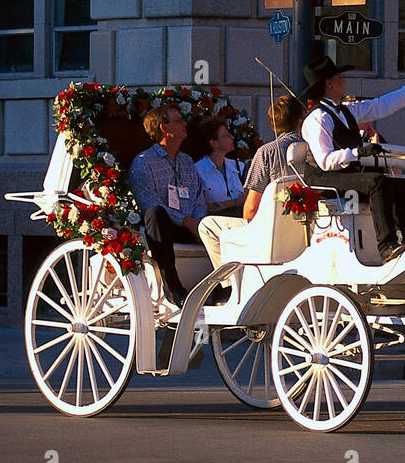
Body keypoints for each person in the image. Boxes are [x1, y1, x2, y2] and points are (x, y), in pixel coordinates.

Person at [299, 55, 405, 262]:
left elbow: (380, 106)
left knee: (402, 185)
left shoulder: (346, 111)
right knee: (376, 182)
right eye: (340, 78)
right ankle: (386, 246)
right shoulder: (317, 119)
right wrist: (357, 153)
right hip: (322, 178)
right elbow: (325, 161)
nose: (345, 81)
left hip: (344, 173)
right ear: (329, 84)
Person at [198, 93, 305, 267]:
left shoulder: (266, 153)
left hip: (271, 231)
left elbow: (251, 210)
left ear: (273, 124)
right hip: (304, 228)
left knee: (207, 225)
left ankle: (229, 283)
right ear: (301, 120)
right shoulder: (314, 150)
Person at [129, 105, 208, 307]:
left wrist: (199, 223)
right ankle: (173, 287)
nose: (184, 124)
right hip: (164, 229)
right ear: (164, 128)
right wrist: (186, 221)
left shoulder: (186, 161)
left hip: (190, 224)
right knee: (156, 214)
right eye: (179, 120)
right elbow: (149, 202)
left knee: (218, 222)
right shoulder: (143, 162)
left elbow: (198, 196)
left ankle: (219, 286)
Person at [192, 116, 245, 215]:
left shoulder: (239, 167)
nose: (232, 137)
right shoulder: (197, 171)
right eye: (226, 135)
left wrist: (223, 204)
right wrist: (235, 202)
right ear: (213, 143)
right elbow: (203, 207)